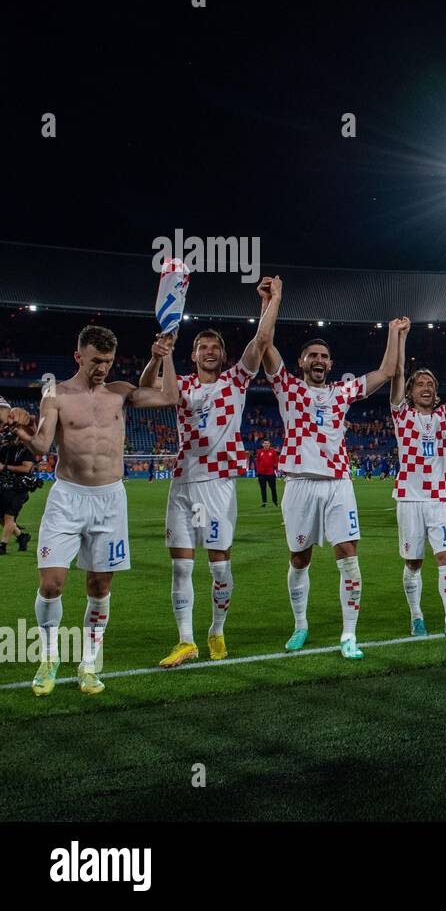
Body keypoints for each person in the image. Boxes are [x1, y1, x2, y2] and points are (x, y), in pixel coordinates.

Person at [18, 325, 180, 696]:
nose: (101, 369)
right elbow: (42, 445)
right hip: (67, 497)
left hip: (110, 500)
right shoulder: (55, 394)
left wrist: (163, 355)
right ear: (78, 357)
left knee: (99, 584)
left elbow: (169, 396)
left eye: (107, 362)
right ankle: (48, 658)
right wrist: (21, 432)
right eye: (95, 361)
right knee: (51, 583)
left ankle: (89, 663)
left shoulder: (119, 393)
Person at [140, 275, 282, 668]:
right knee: (181, 564)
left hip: (215, 486)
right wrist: (157, 355)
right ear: (193, 354)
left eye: (215, 347)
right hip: (183, 484)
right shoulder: (180, 385)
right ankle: (185, 640)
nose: (208, 351)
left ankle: (216, 629)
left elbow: (261, 342)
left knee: (218, 563)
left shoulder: (235, 381)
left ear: (222, 355)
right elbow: (145, 389)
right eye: (202, 346)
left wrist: (272, 300)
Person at [262, 315, 404, 660]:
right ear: (301, 362)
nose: (319, 361)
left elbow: (385, 372)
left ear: (331, 363)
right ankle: (300, 625)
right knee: (300, 557)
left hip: (339, 484)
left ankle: (349, 634)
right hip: (298, 483)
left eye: (324, 356)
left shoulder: (342, 391)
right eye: (312, 355)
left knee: (349, 558)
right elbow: (264, 344)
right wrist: (269, 304)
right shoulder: (287, 387)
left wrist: (394, 333)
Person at [390, 325, 446, 637]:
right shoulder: (401, 415)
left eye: (431, 384)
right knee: (413, 562)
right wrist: (401, 338)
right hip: (409, 498)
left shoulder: (443, 418)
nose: (426, 387)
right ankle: (416, 616)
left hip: (439, 498)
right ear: (410, 392)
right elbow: (397, 373)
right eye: (420, 384)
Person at [0, 408, 38, 555]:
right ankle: (22, 537)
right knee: (3, 518)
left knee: (9, 517)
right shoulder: (5, 448)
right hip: (4, 485)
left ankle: (2, 546)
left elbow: (26, 468)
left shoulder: (27, 449)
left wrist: (5, 467)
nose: (8, 441)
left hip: (20, 488)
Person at [255, 438, 279, 507]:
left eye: (267, 443)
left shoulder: (273, 451)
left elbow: (276, 461)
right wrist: (258, 473)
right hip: (261, 474)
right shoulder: (259, 451)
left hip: (271, 474)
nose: (266, 444)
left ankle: (275, 502)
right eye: (265, 443)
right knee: (263, 489)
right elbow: (258, 462)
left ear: (270, 444)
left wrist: (276, 471)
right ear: (262, 444)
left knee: (273, 488)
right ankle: (264, 502)